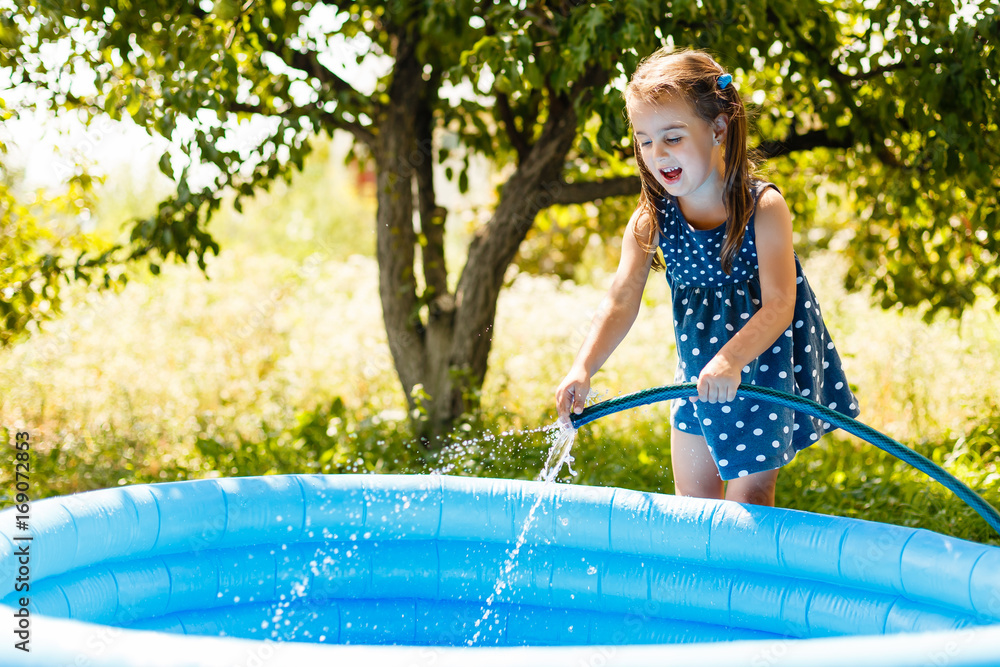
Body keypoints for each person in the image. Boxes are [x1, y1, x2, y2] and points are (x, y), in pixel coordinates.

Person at [554, 47, 861, 507]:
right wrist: (583, 366)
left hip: (759, 371)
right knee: (691, 502)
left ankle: (747, 579)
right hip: (698, 374)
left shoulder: (762, 208)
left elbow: (780, 304)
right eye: (645, 140)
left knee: (750, 501)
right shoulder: (651, 219)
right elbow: (621, 298)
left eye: (672, 138)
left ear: (718, 128)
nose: (657, 154)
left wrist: (733, 359)